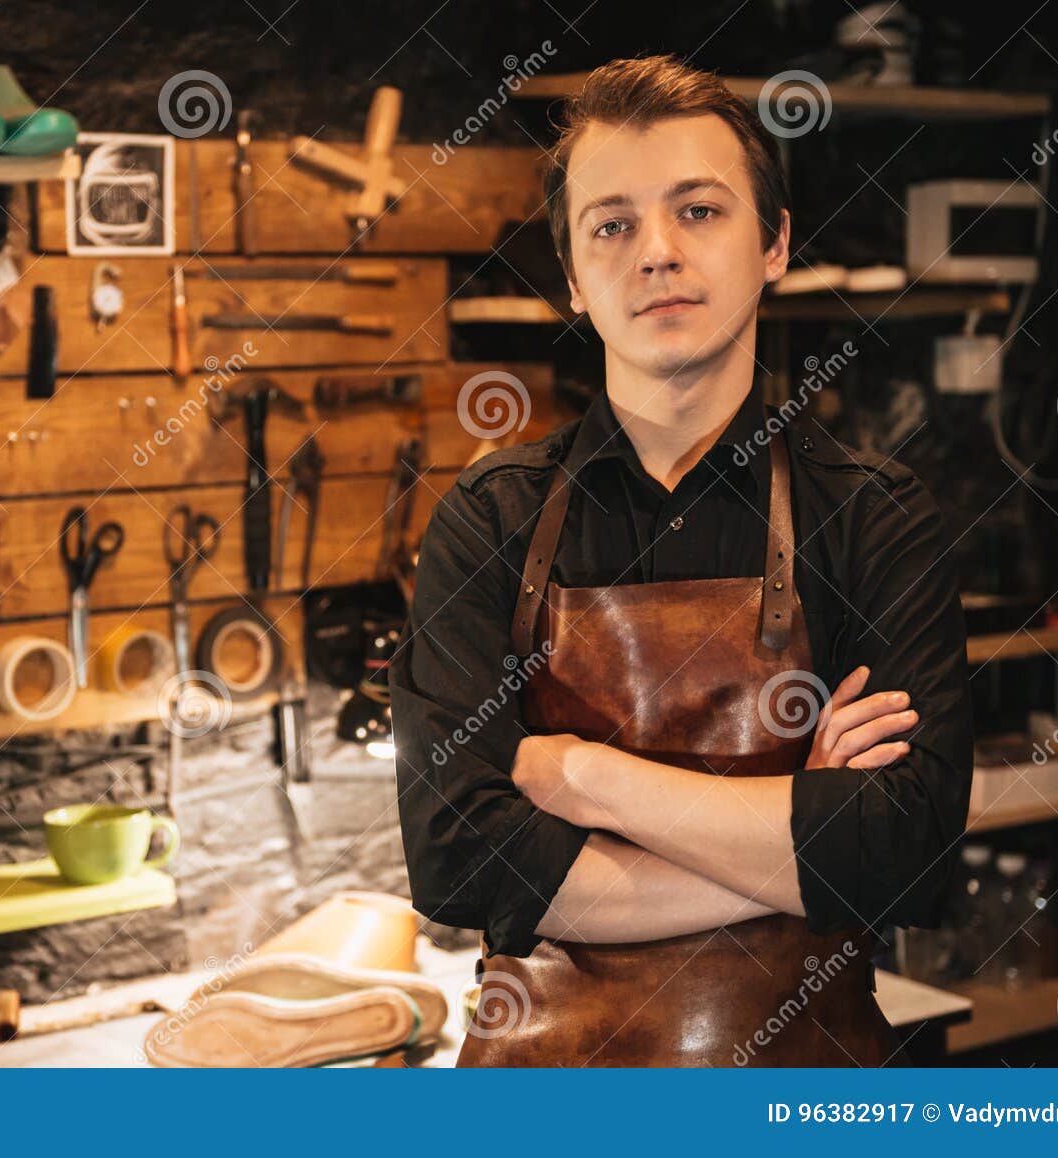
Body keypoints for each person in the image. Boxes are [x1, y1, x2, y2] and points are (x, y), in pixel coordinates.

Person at [388, 54, 973, 1066]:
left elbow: (905, 853)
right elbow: (459, 862)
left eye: (698, 211)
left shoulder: (873, 516)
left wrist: (580, 776)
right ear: (574, 279)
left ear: (774, 243)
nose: (656, 252)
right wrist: (801, 843)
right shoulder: (488, 521)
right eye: (611, 225)